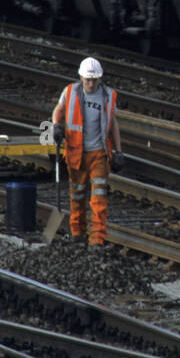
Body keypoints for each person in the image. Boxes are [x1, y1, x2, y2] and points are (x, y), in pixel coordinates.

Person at [51, 57, 124, 247]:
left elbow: (113, 124)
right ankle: (77, 233)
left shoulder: (108, 96)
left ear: (100, 79)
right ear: (81, 77)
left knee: (99, 198)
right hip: (76, 154)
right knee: (77, 196)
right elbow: (58, 110)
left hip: (99, 154)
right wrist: (56, 127)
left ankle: (97, 240)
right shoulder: (70, 92)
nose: (91, 83)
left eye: (94, 80)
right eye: (87, 79)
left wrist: (118, 151)